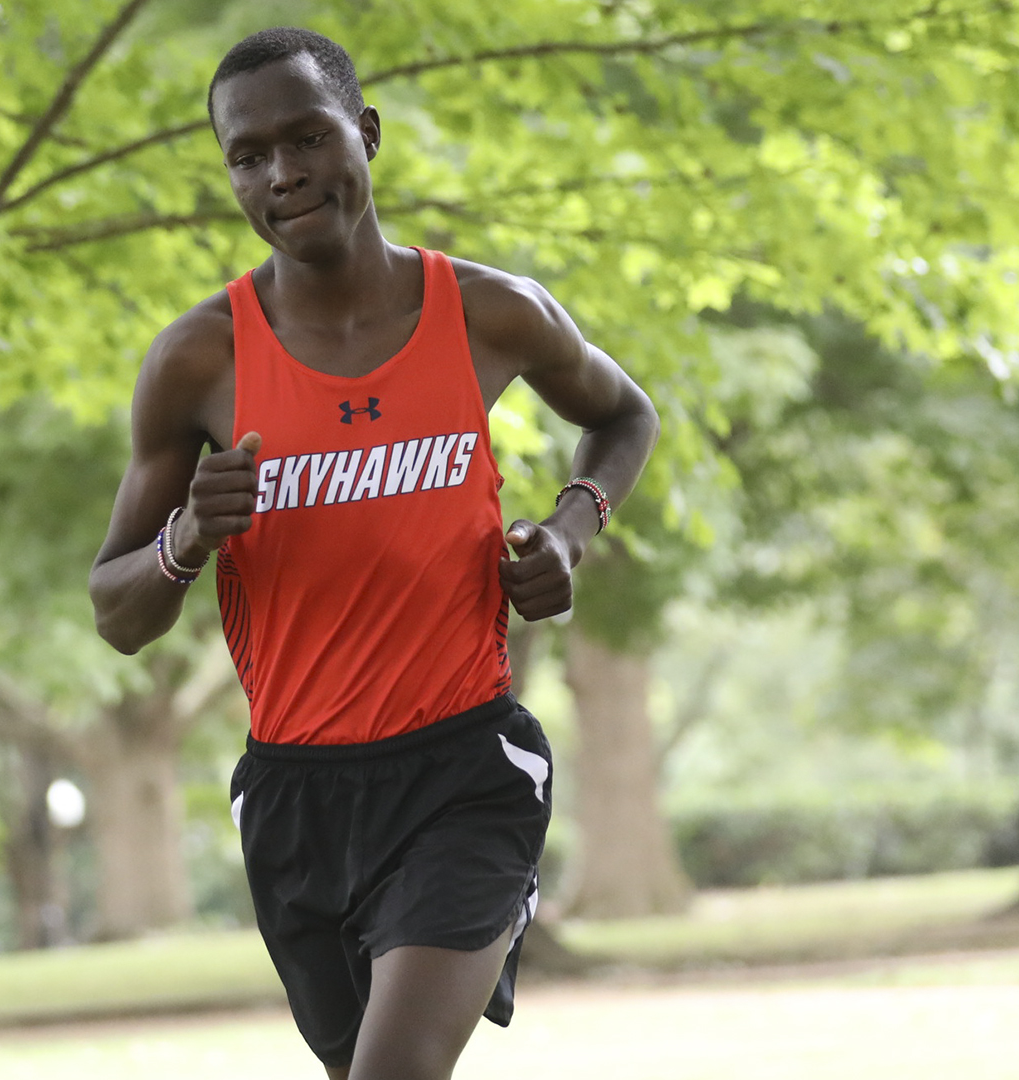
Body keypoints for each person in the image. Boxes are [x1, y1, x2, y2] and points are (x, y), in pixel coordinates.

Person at [89, 26, 660, 1080]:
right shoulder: (198, 360)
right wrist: (186, 538)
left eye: (307, 138)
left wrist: (572, 533)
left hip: (465, 770)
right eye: (247, 155)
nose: (284, 173)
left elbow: (624, 416)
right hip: (297, 800)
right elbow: (116, 612)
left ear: (367, 133)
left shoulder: (490, 312)